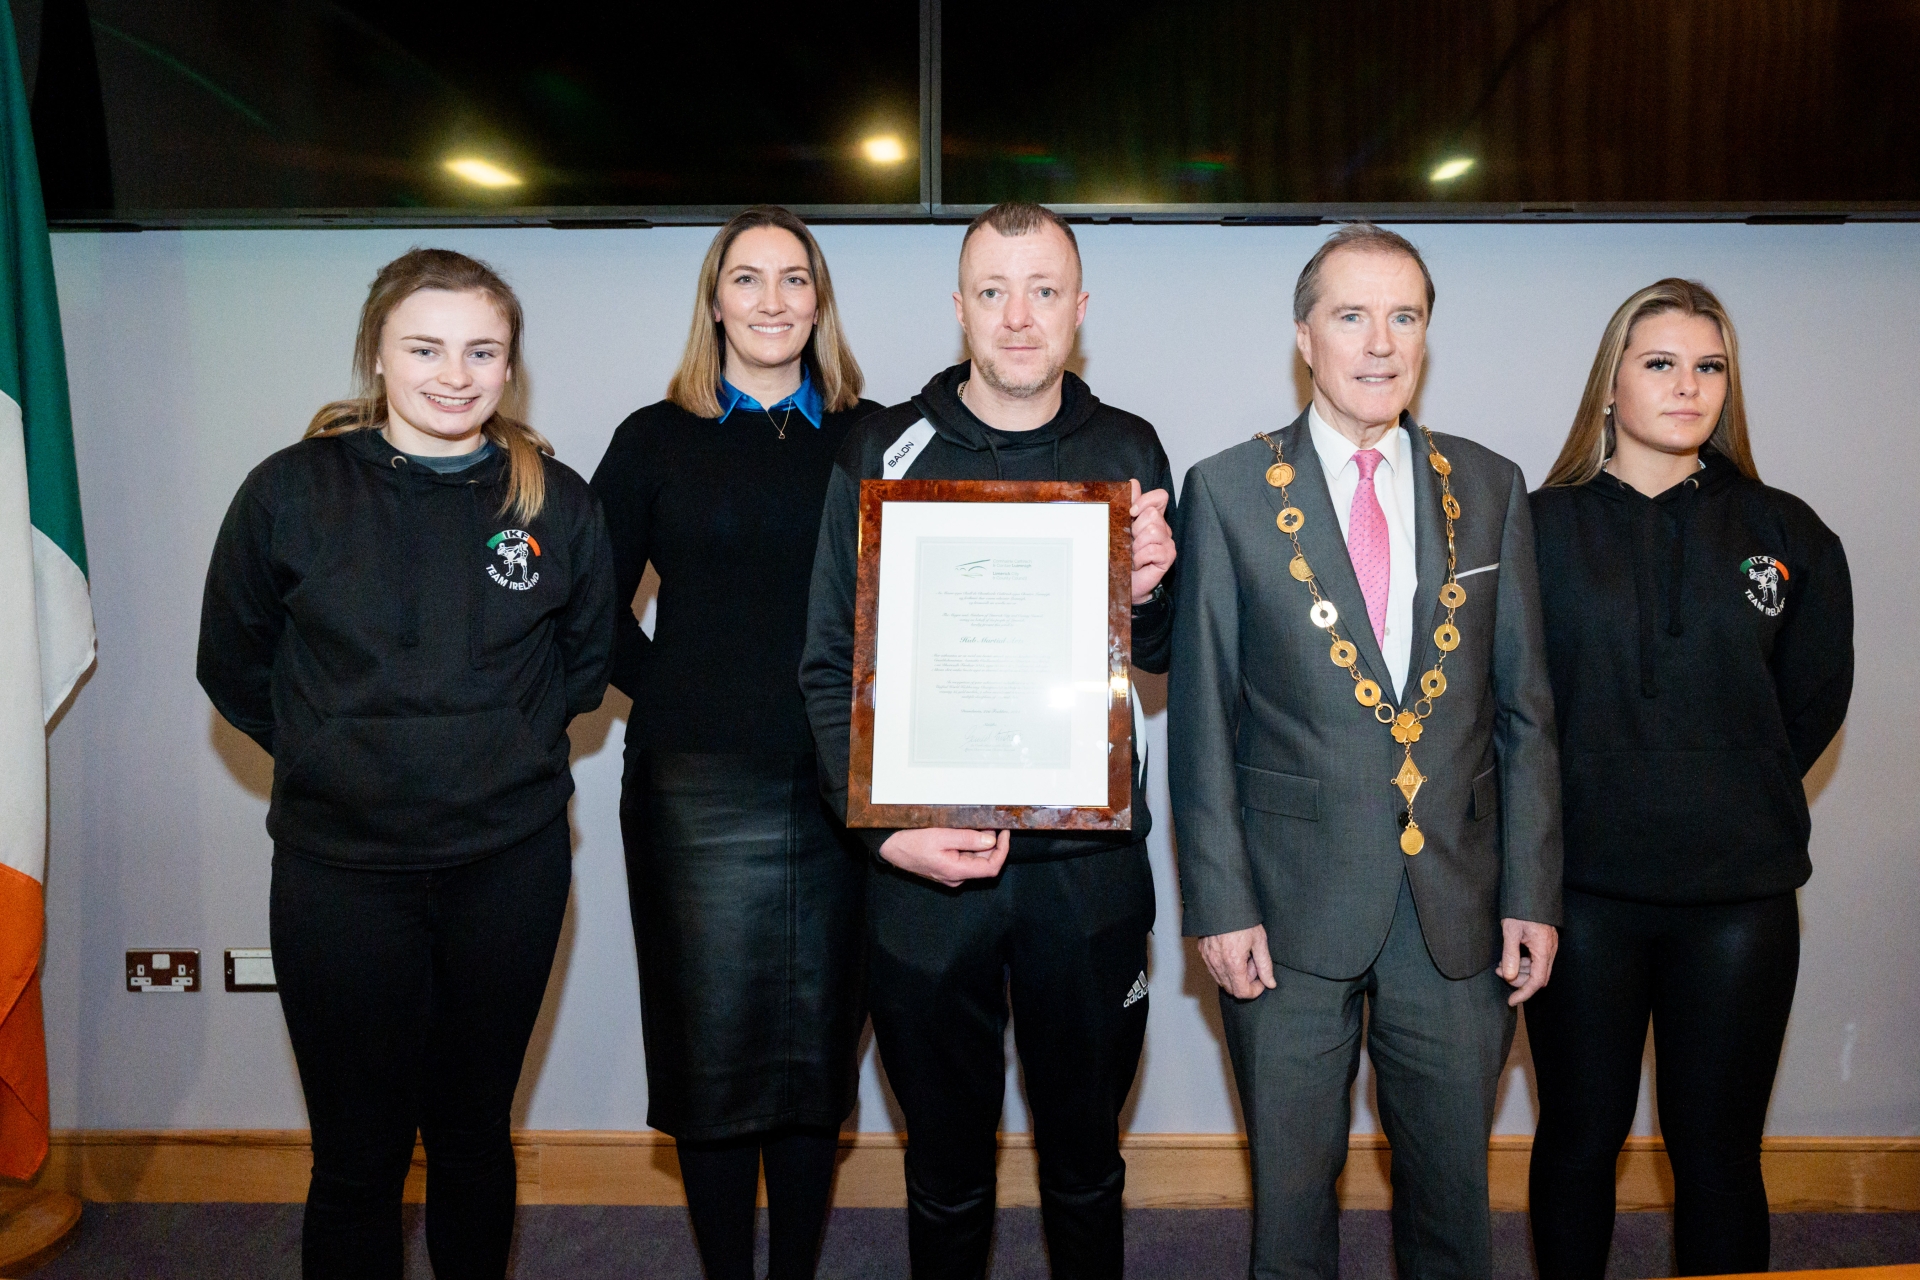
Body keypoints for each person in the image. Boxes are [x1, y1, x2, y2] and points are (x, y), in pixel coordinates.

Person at [196, 248, 615, 1280]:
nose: (454, 372)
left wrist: (497, 746)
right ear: (376, 353)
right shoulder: (288, 492)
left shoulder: (555, 502)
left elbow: (585, 664)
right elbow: (232, 662)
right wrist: (336, 750)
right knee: (357, 1155)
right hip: (340, 872)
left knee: (473, 1135)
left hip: (505, 867)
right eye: (425, 346)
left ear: (510, 365)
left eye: (482, 350)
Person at [1169, 223, 1562, 1280]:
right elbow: (1204, 714)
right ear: (1306, 336)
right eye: (1352, 315)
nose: (1380, 343)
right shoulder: (1228, 488)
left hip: (1458, 911)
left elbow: (1524, 710)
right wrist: (1217, 902)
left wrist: (1533, 890)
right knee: (1290, 1217)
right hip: (1285, 914)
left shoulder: (1489, 484)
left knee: (1453, 1211)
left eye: (1405, 317)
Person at [800, 201, 1177, 1279]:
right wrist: (880, 834)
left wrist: (1153, 588)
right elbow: (828, 666)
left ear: (1081, 309)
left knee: (1086, 1164)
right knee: (947, 1168)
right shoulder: (883, 446)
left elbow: (1149, 653)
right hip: (924, 876)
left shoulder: (1128, 444)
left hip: (1089, 874)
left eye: (1045, 291)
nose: (1020, 317)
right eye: (995, 291)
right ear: (958, 305)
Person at [1524, 279, 1853, 1278]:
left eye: (1710, 367)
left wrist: (1718, 790)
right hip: (1578, 900)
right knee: (1580, 1143)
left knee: (1718, 1157)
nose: (1688, 386)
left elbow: (1807, 708)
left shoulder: (1791, 532)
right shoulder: (1532, 529)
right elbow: (1511, 713)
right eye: (1660, 363)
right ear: (1611, 383)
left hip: (1738, 906)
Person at [589, 206, 880, 1280]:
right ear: (715, 299)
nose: (771, 301)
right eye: (747, 279)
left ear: (819, 300)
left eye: (793, 279)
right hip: (692, 786)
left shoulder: (873, 435)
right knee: (712, 1059)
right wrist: (684, 688)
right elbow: (592, 610)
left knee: (813, 1057)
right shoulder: (652, 437)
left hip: (841, 789)